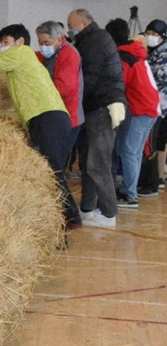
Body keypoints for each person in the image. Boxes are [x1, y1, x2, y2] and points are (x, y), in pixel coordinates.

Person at [0, 24, 78, 230]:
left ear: (20, 42)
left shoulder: (21, 53)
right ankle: (70, 215)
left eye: (5, 42)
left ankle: (62, 221)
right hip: (48, 117)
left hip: (47, 117)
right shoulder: (24, 61)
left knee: (50, 171)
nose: (2, 47)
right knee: (51, 170)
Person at [68, 9, 127, 229]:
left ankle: (109, 213)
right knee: (88, 161)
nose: (69, 28)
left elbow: (88, 81)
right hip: (96, 108)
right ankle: (87, 208)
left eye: (71, 24)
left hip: (101, 107)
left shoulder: (95, 41)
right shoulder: (92, 39)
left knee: (97, 163)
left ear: (83, 23)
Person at [105, 18, 157, 210]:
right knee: (133, 152)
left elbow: (120, 84)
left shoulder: (123, 57)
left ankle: (130, 195)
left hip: (140, 109)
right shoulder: (135, 52)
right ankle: (130, 189)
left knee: (129, 152)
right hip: (150, 107)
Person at [36, 21, 84, 225]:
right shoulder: (53, 53)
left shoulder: (68, 54)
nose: (42, 46)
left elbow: (64, 87)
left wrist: (35, 91)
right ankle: (66, 213)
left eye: (46, 42)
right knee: (54, 167)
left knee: (55, 169)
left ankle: (69, 214)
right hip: (58, 116)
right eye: (40, 42)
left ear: (58, 39)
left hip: (67, 118)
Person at [145, 20, 167, 192]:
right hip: (155, 104)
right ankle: (157, 177)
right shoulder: (151, 52)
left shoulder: (164, 54)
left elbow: (158, 77)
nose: (150, 37)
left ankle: (156, 178)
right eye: (149, 33)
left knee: (157, 143)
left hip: (161, 106)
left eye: (155, 34)